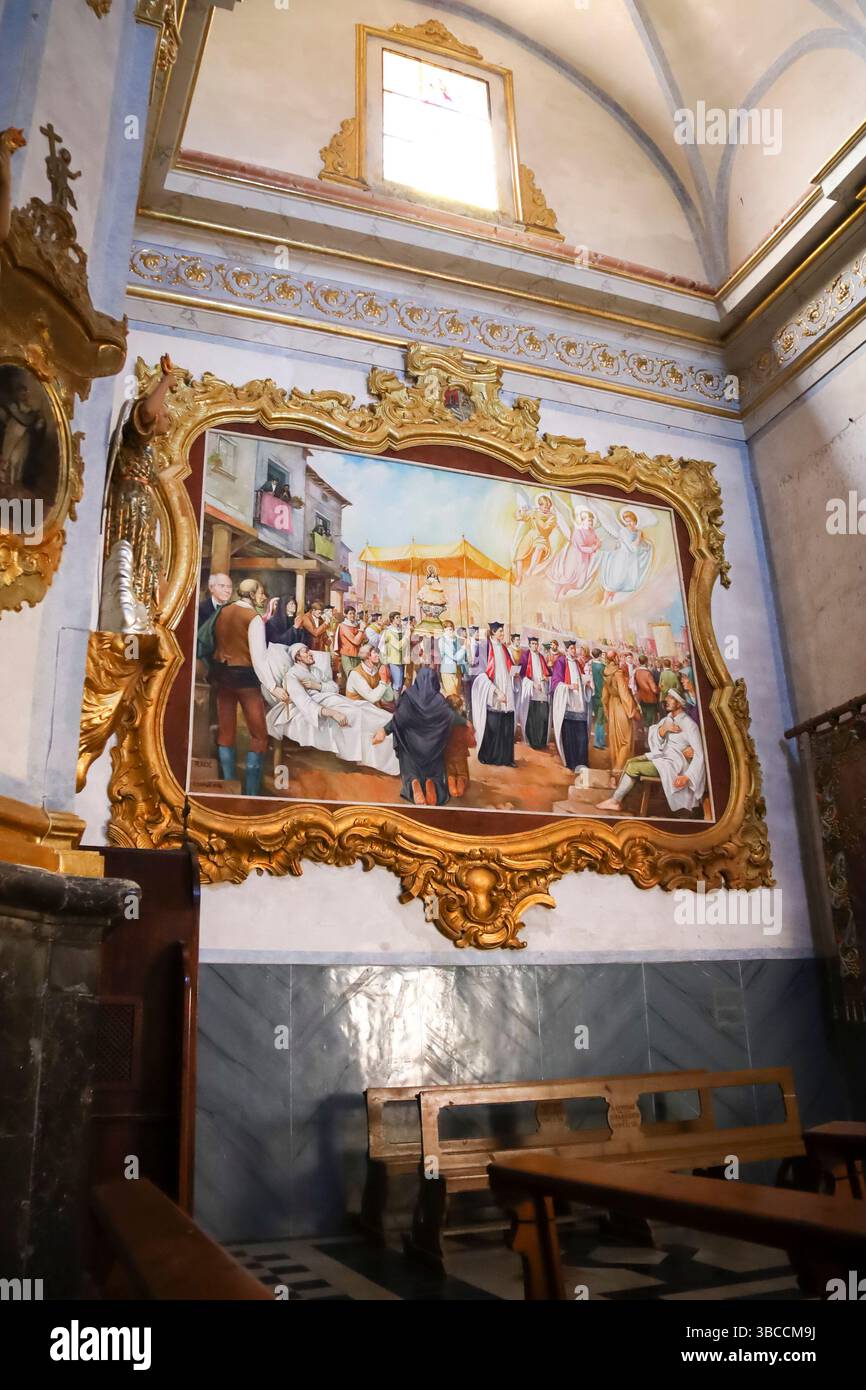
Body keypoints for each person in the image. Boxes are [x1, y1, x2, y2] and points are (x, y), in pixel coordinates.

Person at [264, 643, 399, 775]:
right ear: (298, 657)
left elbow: (334, 687)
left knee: (368, 709)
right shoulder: (292, 676)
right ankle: (373, 754)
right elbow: (305, 704)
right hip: (318, 706)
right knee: (354, 714)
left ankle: (395, 729)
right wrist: (333, 713)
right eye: (306, 652)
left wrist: (318, 686)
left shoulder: (315, 671)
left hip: (332, 699)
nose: (310, 653)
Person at [596, 689, 706, 815]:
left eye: (671, 698)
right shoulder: (668, 719)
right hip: (663, 757)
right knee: (630, 761)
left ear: (680, 703)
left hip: (675, 765)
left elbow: (699, 755)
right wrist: (663, 730)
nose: (667, 700)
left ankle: (615, 801)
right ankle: (623, 799)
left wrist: (687, 777)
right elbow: (654, 740)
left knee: (633, 767)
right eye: (667, 697)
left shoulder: (690, 725)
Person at [210, 577, 270, 795]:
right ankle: (252, 793)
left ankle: (229, 786)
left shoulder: (223, 612)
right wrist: (273, 686)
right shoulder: (253, 618)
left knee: (226, 732)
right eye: (261, 592)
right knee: (259, 735)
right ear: (252, 595)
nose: (263, 596)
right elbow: (259, 660)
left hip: (223, 677)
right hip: (246, 679)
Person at [372, 666, 453, 806]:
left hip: (411, 748)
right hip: (433, 752)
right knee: (437, 763)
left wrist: (384, 731)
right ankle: (431, 782)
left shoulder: (408, 695)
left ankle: (413, 783)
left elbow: (399, 719)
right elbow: (449, 719)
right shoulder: (440, 700)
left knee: (409, 764)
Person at [471, 622, 516, 767]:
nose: (503, 634)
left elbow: (508, 667)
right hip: (493, 690)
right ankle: (490, 757)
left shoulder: (503, 647)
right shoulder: (485, 646)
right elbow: (481, 674)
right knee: (493, 724)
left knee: (506, 724)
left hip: (506, 688)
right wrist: (496, 691)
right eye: (501, 632)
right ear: (493, 632)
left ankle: (506, 758)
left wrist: (514, 674)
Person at [550, 639, 589, 771]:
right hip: (568, 705)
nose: (574, 651)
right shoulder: (561, 662)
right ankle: (572, 763)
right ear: (566, 650)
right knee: (570, 737)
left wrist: (587, 683)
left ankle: (582, 763)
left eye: (574, 648)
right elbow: (556, 683)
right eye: (571, 649)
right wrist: (569, 686)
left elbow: (582, 678)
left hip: (579, 705)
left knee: (582, 737)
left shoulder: (577, 663)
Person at [549, 505, 601, 600]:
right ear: (582, 521)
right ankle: (556, 595)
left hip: (584, 559)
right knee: (566, 577)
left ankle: (567, 588)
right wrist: (593, 548)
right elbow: (581, 547)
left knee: (580, 583)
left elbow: (596, 541)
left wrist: (597, 544)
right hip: (573, 557)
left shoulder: (592, 531)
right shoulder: (578, 532)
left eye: (591, 520)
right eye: (588, 520)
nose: (591, 522)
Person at [602, 650, 640, 776]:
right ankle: (618, 773)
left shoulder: (606, 673)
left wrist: (607, 711)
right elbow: (624, 694)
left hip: (612, 707)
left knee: (616, 743)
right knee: (626, 741)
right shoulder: (618, 673)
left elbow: (604, 697)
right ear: (615, 659)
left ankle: (618, 772)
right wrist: (632, 711)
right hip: (621, 708)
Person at [517, 636, 551, 751]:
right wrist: (532, 684)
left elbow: (547, 672)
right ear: (529, 645)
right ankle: (533, 741)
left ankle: (541, 741)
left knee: (542, 716)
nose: (535, 646)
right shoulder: (525, 656)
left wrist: (546, 678)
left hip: (542, 690)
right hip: (531, 691)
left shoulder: (541, 656)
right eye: (532, 644)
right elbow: (521, 675)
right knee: (532, 717)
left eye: (536, 644)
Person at [443, 693, 475, 798]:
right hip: (461, 755)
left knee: (450, 774)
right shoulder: (464, 727)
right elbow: (472, 743)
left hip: (447, 754)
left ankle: (452, 789)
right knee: (462, 774)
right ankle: (460, 789)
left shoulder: (444, 724)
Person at [345, 643, 395, 709]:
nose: (378, 655)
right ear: (367, 656)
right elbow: (372, 698)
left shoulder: (375, 670)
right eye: (375, 653)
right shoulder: (355, 674)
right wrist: (383, 680)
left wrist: (387, 680)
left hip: (370, 708)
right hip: (357, 709)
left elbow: (389, 697)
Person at [437, 619, 467, 698]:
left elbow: (461, 657)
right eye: (449, 629)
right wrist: (464, 647)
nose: (451, 631)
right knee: (452, 696)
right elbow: (455, 657)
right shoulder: (442, 640)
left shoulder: (455, 639)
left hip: (457, 671)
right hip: (447, 671)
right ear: (444, 630)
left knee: (457, 694)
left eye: (452, 629)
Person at [335, 606, 364, 684]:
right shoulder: (343, 626)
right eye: (350, 613)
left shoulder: (357, 625)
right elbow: (355, 641)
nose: (352, 615)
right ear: (345, 614)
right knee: (351, 677)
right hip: (347, 655)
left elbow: (365, 639)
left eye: (354, 613)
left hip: (357, 655)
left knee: (358, 677)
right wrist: (361, 630)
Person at [380, 611, 405, 697]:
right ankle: (396, 705)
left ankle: (398, 703)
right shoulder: (389, 632)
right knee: (397, 685)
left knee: (400, 684)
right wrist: (407, 636)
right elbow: (398, 646)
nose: (399, 619)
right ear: (392, 620)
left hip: (401, 661)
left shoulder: (400, 630)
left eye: (399, 617)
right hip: (393, 660)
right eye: (397, 617)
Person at [634, 653, 659, 727]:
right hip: (650, 698)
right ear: (646, 662)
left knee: (645, 716)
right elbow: (654, 689)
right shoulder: (647, 673)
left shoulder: (637, 672)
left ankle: (646, 731)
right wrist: (659, 689)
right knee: (651, 719)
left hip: (641, 698)